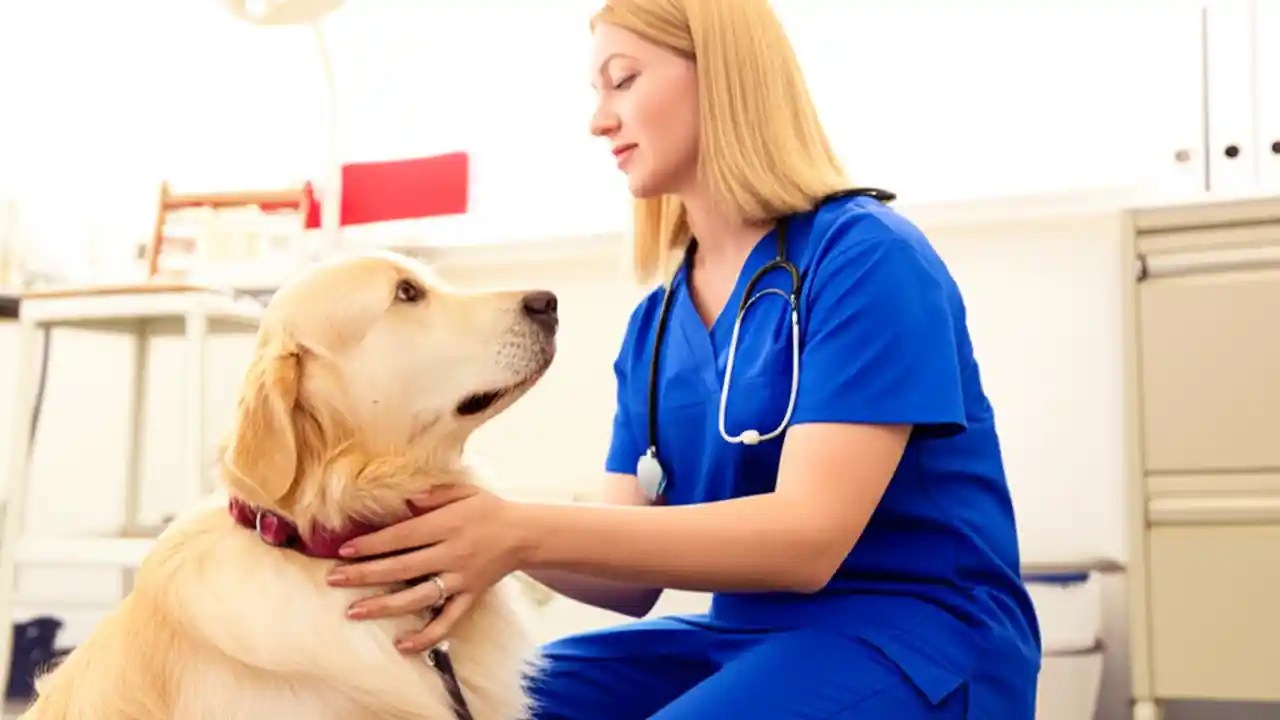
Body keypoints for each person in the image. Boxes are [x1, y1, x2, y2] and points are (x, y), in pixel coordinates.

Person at [324, 0, 1042, 717]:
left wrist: (518, 529)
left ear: (721, 78)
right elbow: (624, 585)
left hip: (918, 640)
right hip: (746, 639)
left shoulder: (866, 260)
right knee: (473, 702)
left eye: (623, 80)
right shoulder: (658, 324)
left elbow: (808, 539)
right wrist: (461, 526)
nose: (599, 120)